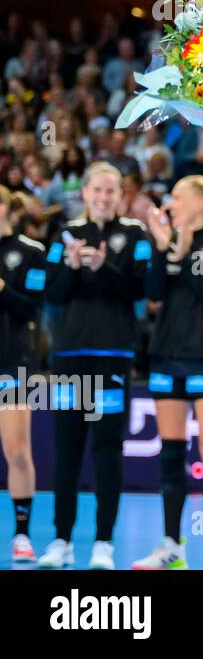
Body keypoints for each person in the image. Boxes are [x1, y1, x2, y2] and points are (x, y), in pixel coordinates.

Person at [37, 163, 151, 570]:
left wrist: (106, 268)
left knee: (107, 452)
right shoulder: (64, 235)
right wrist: (69, 267)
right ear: (84, 193)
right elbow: (50, 293)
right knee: (66, 453)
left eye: (111, 191)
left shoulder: (135, 234)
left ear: (120, 194)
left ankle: (104, 542)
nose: (103, 197)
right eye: (97, 190)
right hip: (70, 357)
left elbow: (141, 289)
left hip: (114, 356)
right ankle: (62, 540)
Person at [132, 175, 203, 570]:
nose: (170, 203)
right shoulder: (165, 239)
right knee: (171, 453)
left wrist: (187, 254)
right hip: (166, 353)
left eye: (177, 196)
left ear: (200, 201)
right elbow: (155, 294)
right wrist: (165, 250)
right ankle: (170, 546)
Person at [0, 185, 47, 566]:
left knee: (16, 450)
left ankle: (22, 534)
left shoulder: (31, 252)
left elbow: (31, 310)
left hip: (12, 363)